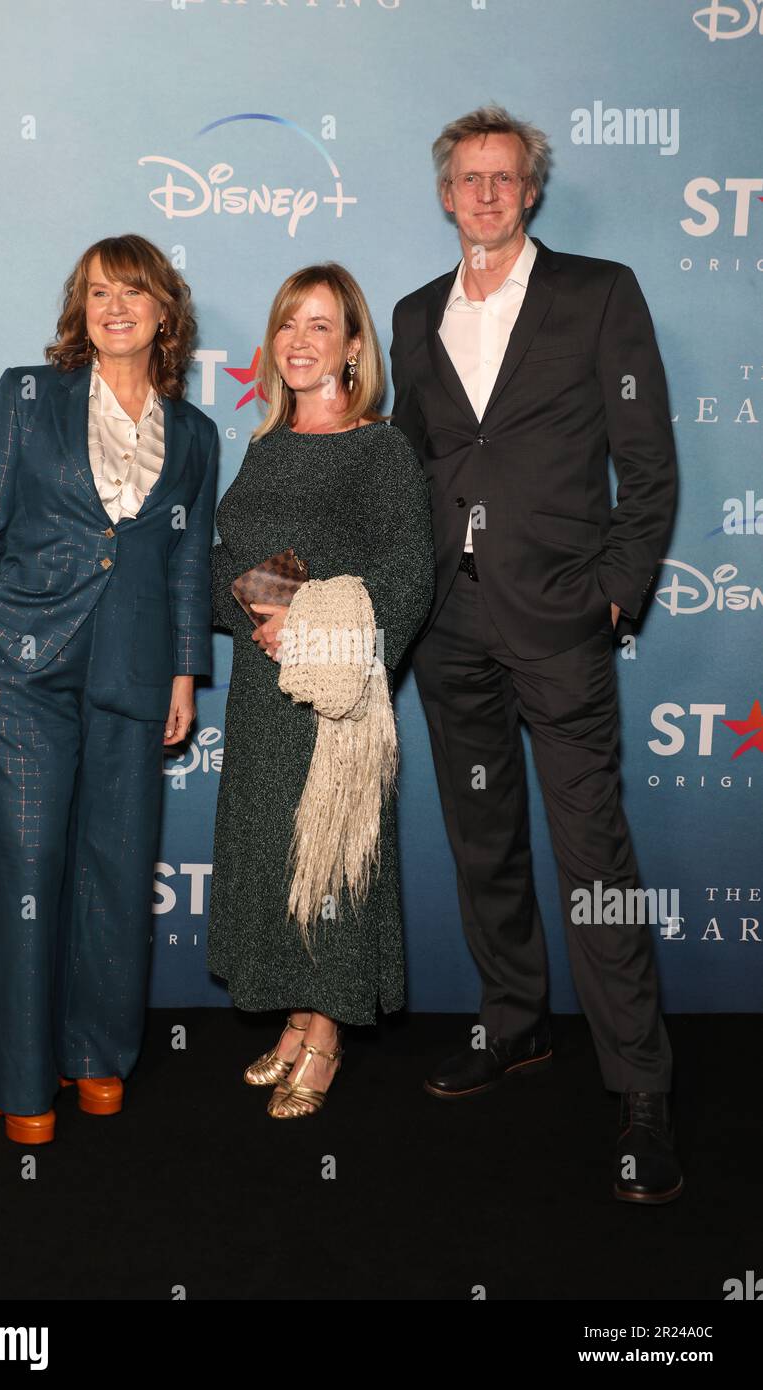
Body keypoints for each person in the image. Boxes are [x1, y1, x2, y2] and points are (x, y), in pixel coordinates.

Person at [390, 106, 682, 1202]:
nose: (483, 193)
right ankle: (512, 1021)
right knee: (483, 839)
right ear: (444, 190)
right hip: (449, 627)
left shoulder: (596, 294)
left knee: (593, 858)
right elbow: (407, 471)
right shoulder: (414, 315)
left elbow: (645, 464)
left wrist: (612, 595)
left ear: (529, 190)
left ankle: (640, 1084)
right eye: (465, 177)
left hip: (558, 621)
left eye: (502, 177)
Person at [0, 234, 218, 1144]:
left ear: (164, 312)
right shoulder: (30, 394)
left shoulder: (196, 434)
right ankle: (21, 1078)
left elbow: (185, 563)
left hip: (136, 672)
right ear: (81, 308)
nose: (114, 307)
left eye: (132, 292)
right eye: (98, 291)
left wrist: (183, 669)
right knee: (26, 868)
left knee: (114, 868)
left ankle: (97, 1056)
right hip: (23, 668)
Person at [208, 262, 434, 1118]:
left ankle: (329, 1038)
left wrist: (310, 622)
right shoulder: (265, 447)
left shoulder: (380, 447)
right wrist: (266, 611)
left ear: (351, 347)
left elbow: (408, 575)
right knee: (275, 857)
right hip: (263, 694)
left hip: (335, 701)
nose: (299, 341)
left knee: (331, 856)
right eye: (287, 325)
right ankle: (298, 1021)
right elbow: (226, 562)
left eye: (320, 326)